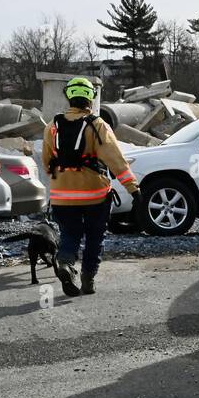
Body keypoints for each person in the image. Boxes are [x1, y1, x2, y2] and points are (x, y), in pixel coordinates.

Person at [41, 77, 137, 297]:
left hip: (62, 196)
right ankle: (88, 279)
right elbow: (117, 161)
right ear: (90, 99)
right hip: (95, 194)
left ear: (69, 97)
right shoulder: (97, 125)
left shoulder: (52, 126)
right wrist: (134, 190)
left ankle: (65, 262)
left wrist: (63, 179)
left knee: (69, 234)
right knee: (95, 237)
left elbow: (47, 163)